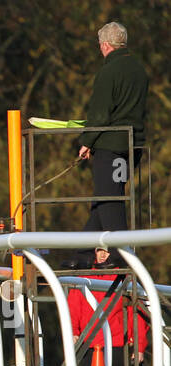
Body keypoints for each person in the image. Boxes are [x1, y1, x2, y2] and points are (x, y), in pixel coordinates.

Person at [77, 21, 147, 233]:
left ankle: (118, 253)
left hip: (110, 146)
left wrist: (86, 142)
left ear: (105, 45)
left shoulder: (108, 71)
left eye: (99, 45)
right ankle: (84, 254)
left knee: (108, 201)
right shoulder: (139, 69)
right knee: (106, 197)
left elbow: (99, 114)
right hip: (134, 145)